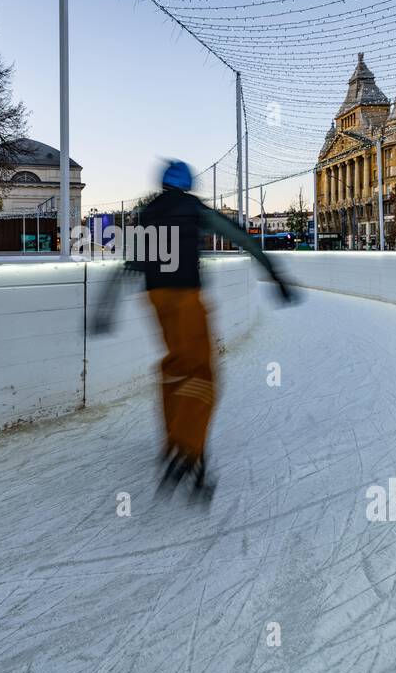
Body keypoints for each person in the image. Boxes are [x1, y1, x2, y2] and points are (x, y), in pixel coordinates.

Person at [120, 160, 294, 499]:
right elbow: (240, 237)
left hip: (155, 300)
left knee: (174, 366)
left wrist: (105, 307)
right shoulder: (191, 208)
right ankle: (189, 448)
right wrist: (275, 273)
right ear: (186, 183)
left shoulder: (148, 211)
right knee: (203, 374)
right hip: (186, 296)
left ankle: (173, 441)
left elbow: (133, 261)